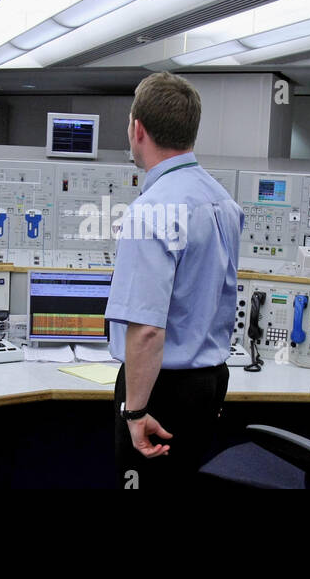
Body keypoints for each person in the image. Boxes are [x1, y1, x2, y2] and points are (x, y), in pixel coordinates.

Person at [106, 72, 243, 490]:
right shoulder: (224, 202)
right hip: (209, 384)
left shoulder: (151, 211)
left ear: (137, 129)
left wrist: (134, 412)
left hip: (161, 394)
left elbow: (146, 330)